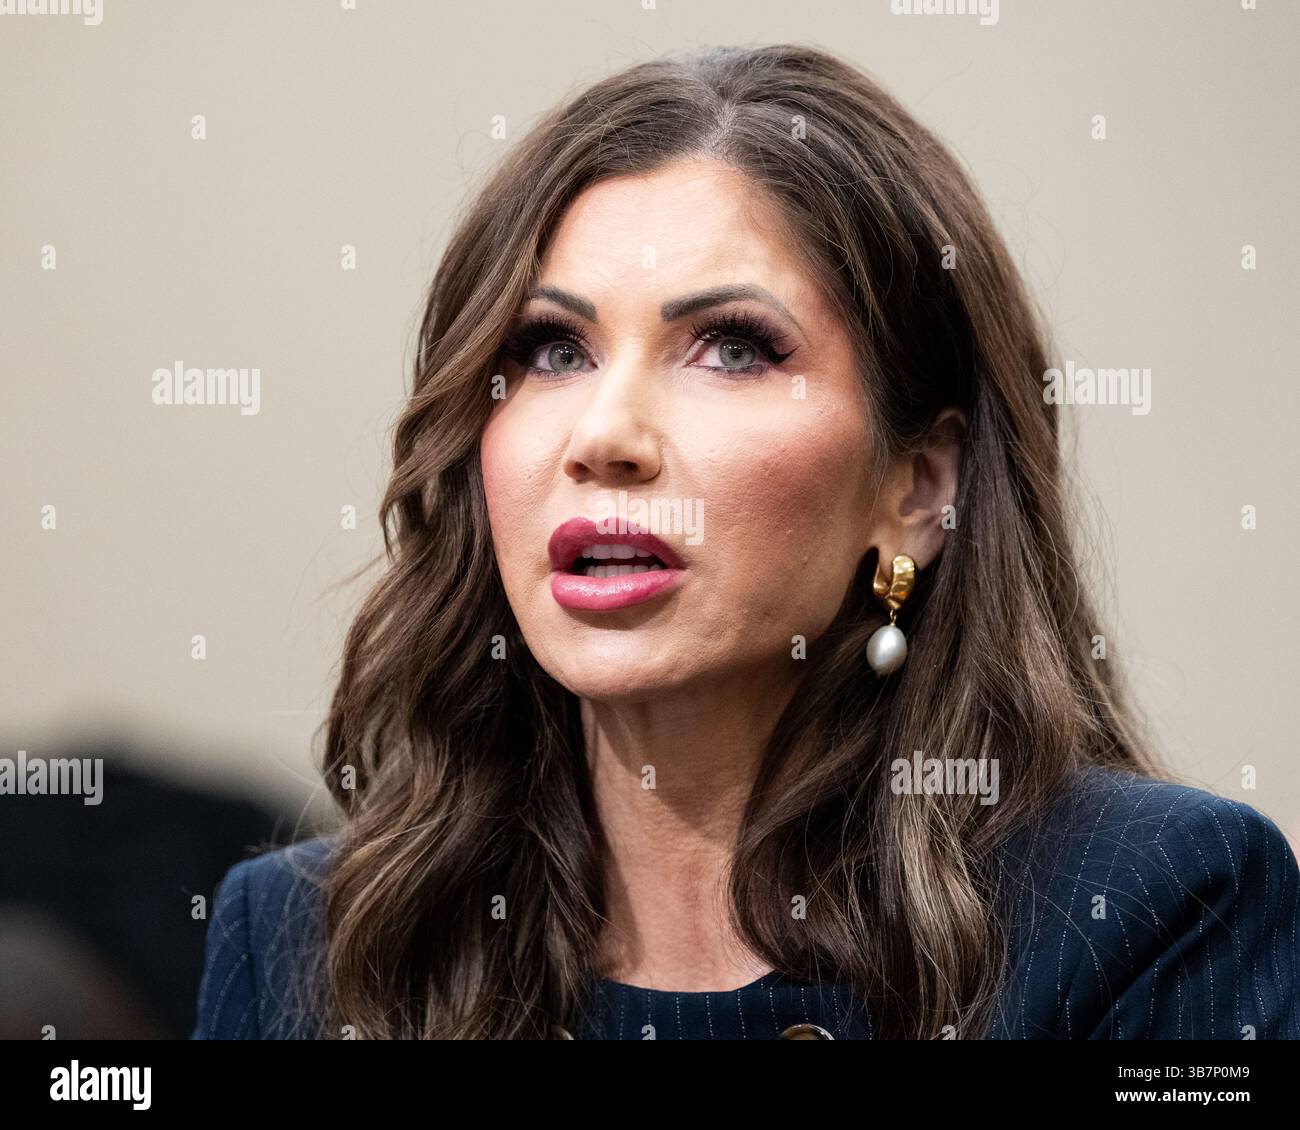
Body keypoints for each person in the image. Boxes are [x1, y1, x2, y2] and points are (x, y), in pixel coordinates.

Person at [193, 43, 1299, 1040]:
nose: (605, 434)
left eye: (730, 347)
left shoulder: (1150, 903)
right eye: (548, 349)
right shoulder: (309, 939)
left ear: (916, 489)